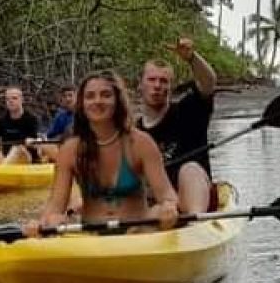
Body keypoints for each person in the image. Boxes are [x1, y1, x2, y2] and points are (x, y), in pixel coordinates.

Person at [24, 71, 178, 235]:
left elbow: (167, 195)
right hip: (92, 235)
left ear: (117, 101)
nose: (97, 101)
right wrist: (43, 222)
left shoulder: (141, 143)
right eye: (90, 96)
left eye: (106, 95)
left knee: (158, 211)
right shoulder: (70, 150)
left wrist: (168, 207)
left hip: (138, 231)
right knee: (55, 220)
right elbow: (55, 205)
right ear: (82, 105)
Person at [137, 36, 216, 214]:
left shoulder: (188, 111)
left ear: (171, 87)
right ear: (140, 85)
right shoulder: (133, 132)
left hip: (194, 198)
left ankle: (193, 224)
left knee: (189, 169)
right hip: (160, 205)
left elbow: (208, 84)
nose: (157, 85)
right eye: (151, 80)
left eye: (163, 81)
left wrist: (192, 58)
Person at [37, 85, 76, 163]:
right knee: (39, 144)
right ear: (62, 99)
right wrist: (41, 136)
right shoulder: (61, 116)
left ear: (76, 96)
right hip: (62, 147)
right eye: (65, 96)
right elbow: (50, 134)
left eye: (70, 95)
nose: (68, 99)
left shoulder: (84, 114)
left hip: (78, 149)